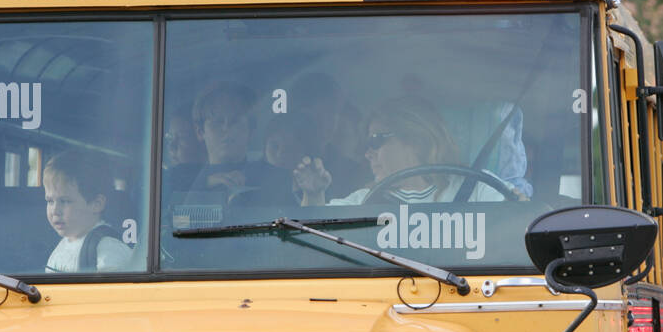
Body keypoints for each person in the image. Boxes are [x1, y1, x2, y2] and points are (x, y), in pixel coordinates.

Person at [294, 101, 510, 205]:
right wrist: (313, 196)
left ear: (416, 140)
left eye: (376, 140)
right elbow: (314, 240)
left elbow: (519, 225)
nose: (367, 153)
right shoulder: (365, 201)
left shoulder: (477, 188)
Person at [187, 79, 293, 201]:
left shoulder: (276, 180)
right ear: (200, 131)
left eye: (235, 121)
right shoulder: (175, 182)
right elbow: (177, 217)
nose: (226, 128)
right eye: (218, 121)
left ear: (251, 130)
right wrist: (204, 185)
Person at [43, 151, 133, 273]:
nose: (54, 211)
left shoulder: (108, 249)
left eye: (65, 201)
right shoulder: (63, 245)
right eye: (50, 201)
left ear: (96, 204)